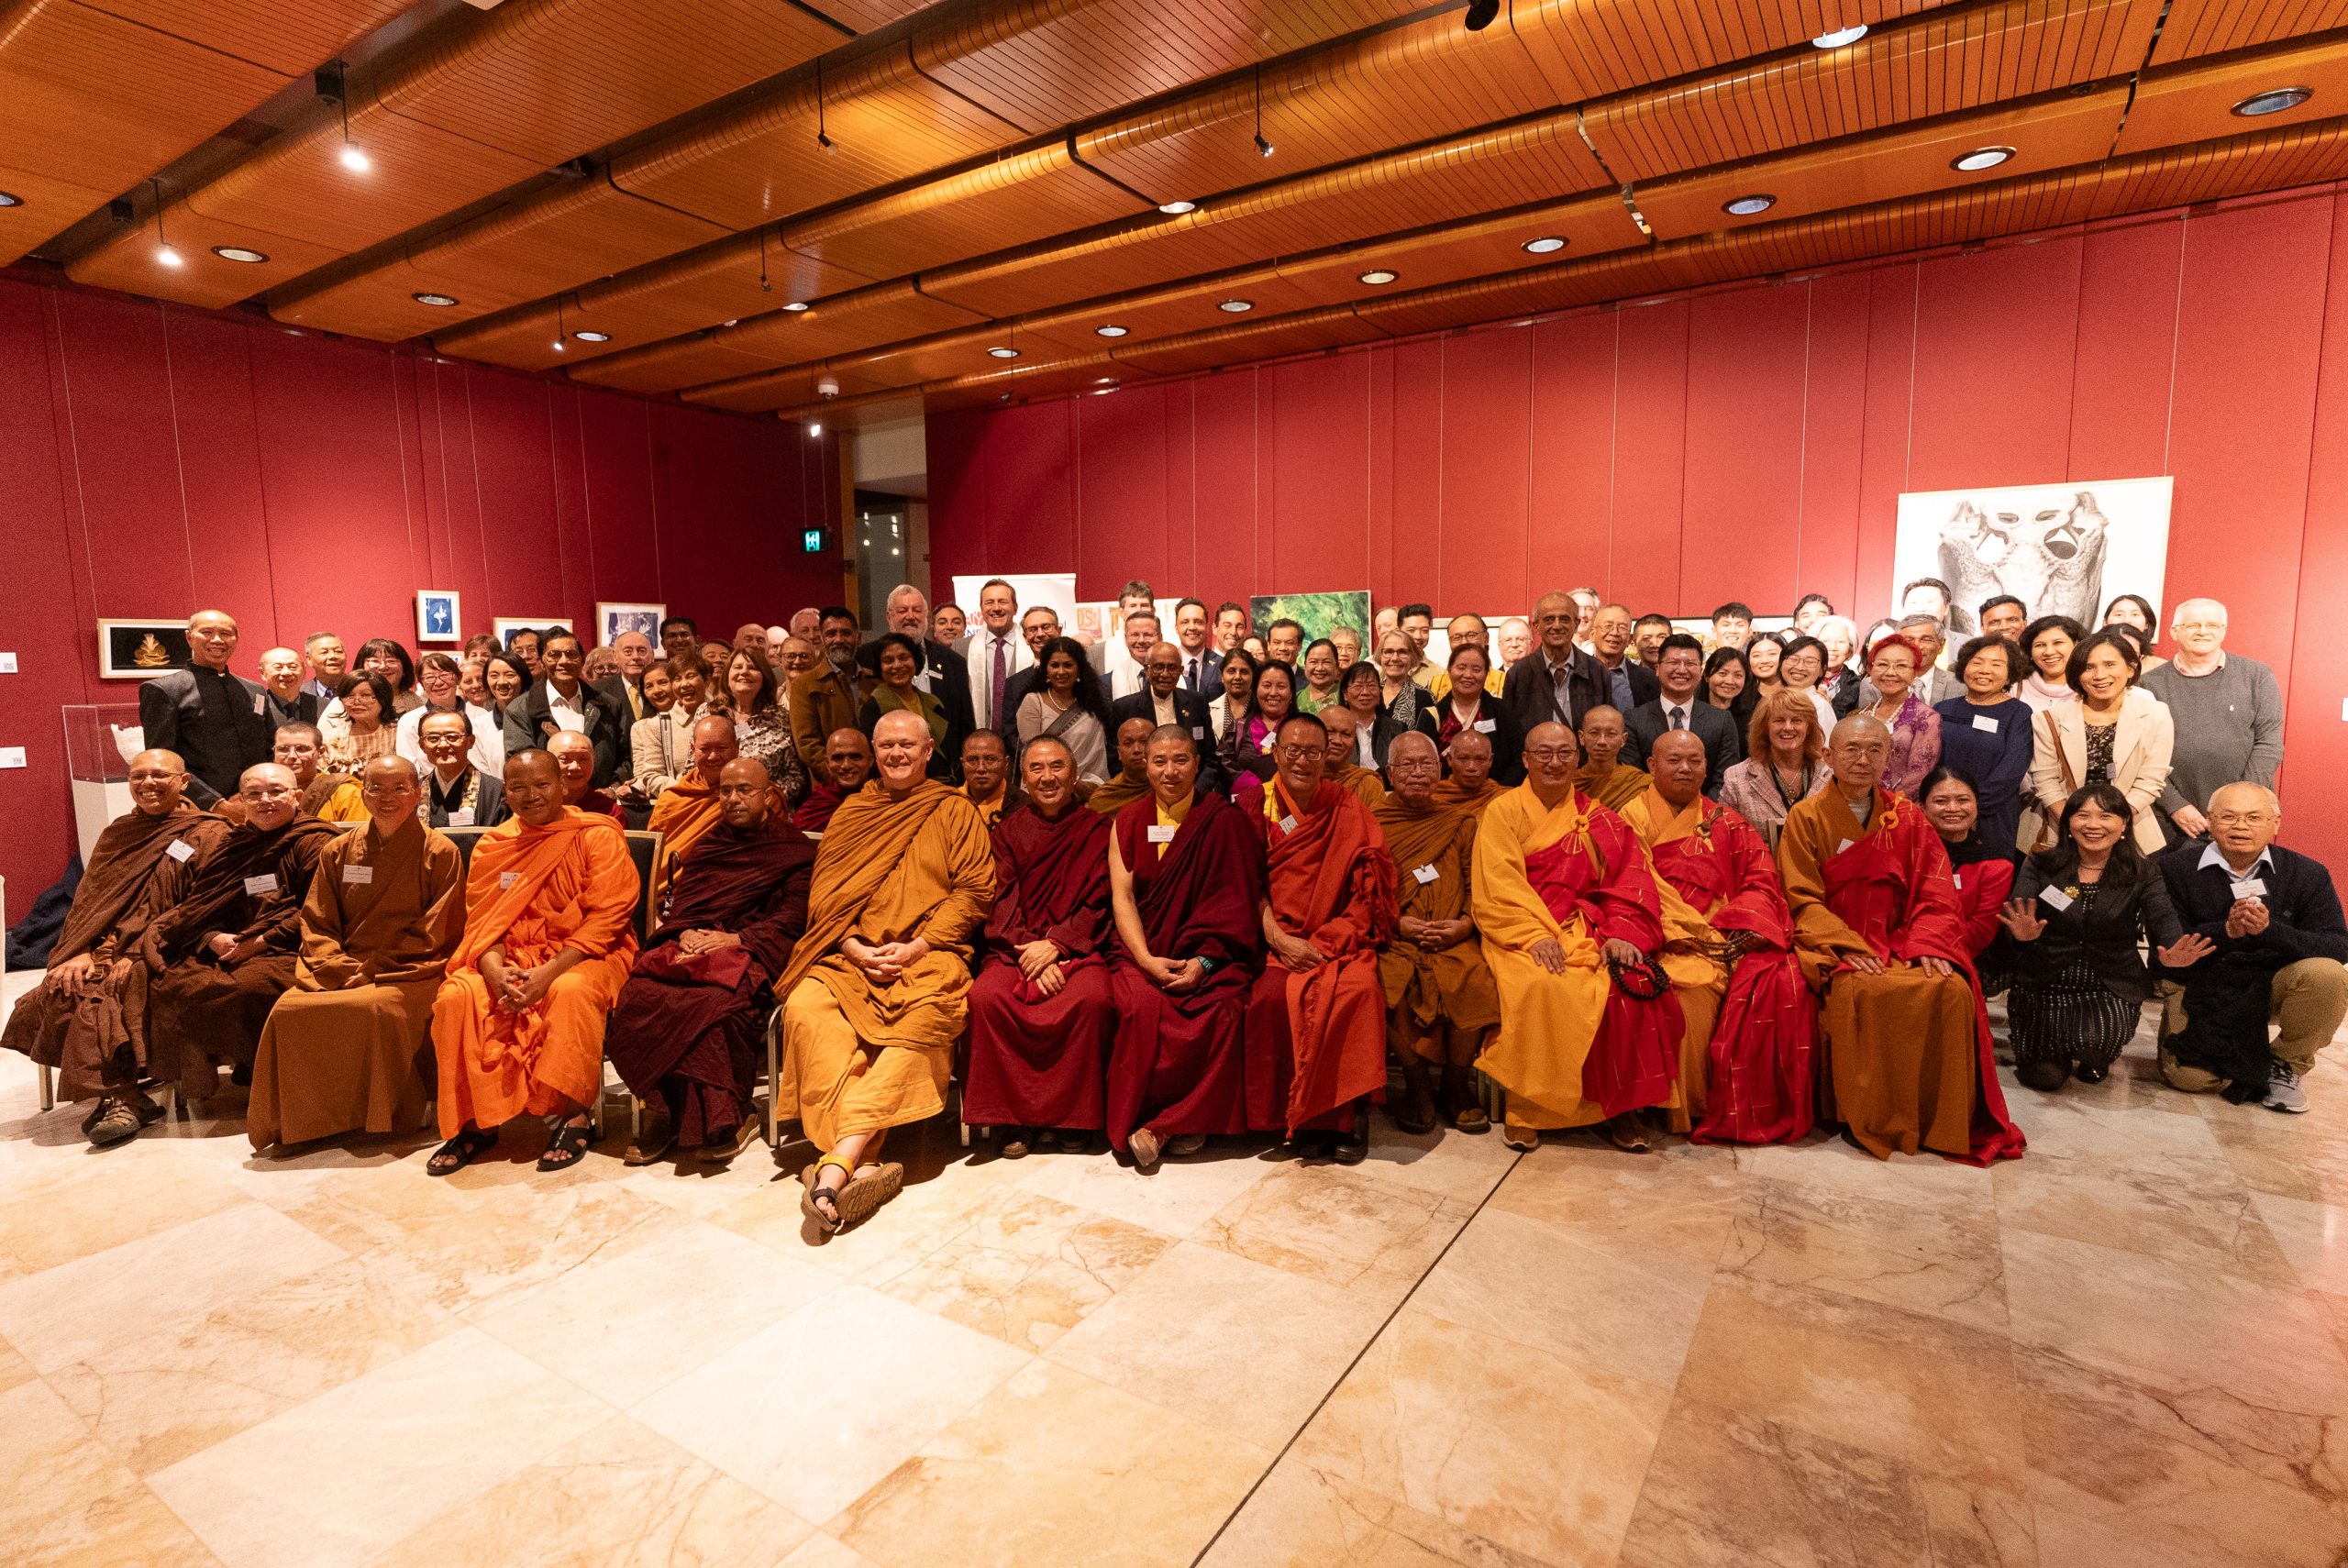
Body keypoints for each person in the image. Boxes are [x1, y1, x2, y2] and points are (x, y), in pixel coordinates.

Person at [777, 711, 993, 1231]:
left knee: (920, 1027)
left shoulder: (954, 810)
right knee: (806, 1008)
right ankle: (867, 1163)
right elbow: (825, 897)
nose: (896, 754)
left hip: (930, 955)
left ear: (928, 752)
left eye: (907, 745)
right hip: (851, 957)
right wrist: (853, 947)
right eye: (886, 746)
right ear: (874, 752)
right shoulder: (853, 812)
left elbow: (974, 891)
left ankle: (837, 1164)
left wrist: (918, 946)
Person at [1778, 716, 2025, 1164]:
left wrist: (1929, 944)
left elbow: (1935, 888)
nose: (1863, 759)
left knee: (1950, 989)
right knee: (1864, 988)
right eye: (1852, 749)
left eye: (1875, 750)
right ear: (1829, 756)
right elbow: (1801, 896)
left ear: (1889, 758)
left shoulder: (1908, 816)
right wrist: (1846, 944)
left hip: (1901, 939)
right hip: (1838, 940)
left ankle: (1934, 1118)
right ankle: (1868, 1116)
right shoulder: (1806, 816)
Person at [426, 749, 640, 1176]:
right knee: (458, 996)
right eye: (519, 787)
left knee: (570, 990)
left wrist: (548, 972)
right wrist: (494, 971)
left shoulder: (597, 835)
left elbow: (610, 915)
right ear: (505, 793)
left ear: (562, 785)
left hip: (588, 952)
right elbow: (484, 922)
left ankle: (574, 1114)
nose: (531, 795)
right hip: (506, 956)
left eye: (542, 784)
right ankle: (476, 1121)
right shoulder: (495, 845)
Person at [1472, 722, 1682, 1153]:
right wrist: (1533, 935)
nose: (1554, 762)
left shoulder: (1597, 817)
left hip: (1585, 928)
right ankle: (1528, 1110)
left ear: (1577, 757)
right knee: (1540, 985)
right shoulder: (1503, 811)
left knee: (1630, 986)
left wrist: (1622, 932)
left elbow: (1630, 878)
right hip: (1518, 931)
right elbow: (1498, 885)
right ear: (1526, 760)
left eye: (1564, 753)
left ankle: (1619, 1108)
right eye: (1543, 753)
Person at [0, 750, 227, 1143]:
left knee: (109, 994)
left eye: (160, 775)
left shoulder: (209, 833)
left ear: (184, 782)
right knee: (63, 987)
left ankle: (121, 1098)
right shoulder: (118, 833)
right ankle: (125, 1097)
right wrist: (80, 950)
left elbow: (201, 907)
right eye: (138, 776)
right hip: (107, 944)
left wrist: (139, 951)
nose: (148, 784)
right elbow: (91, 902)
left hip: (171, 945)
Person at [243, 757, 463, 1153]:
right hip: (339, 965)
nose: (387, 797)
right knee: (288, 1010)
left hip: (410, 967)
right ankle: (305, 1121)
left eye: (399, 788)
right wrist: (336, 965)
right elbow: (317, 919)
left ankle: (385, 1115)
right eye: (376, 788)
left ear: (417, 793)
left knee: (379, 1007)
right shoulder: (339, 850)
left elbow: (437, 927)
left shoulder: (440, 850)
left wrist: (375, 968)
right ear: (363, 794)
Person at [608, 756, 814, 1165]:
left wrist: (736, 938)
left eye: (745, 790)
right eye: (726, 791)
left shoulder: (792, 849)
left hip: (753, 950)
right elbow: (685, 907)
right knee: (638, 995)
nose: (734, 799)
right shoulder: (709, 845)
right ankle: (662, 1111)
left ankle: (731, 1116)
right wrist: (683, 931)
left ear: (768, 795)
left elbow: (794, 917)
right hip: (696, 945)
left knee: (717, 1006)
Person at [1622, 733, 1817, 1144]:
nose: (1685, 768)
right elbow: (1636, 882)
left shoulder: (1725, 820)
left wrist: (1745, 922)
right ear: (1652, 766)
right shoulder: (1630, 818)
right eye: (1674, 760)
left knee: (1783, 985)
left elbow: (1761, 876)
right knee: (1688, 991)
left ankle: (1732, 1103)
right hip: (1665, 937)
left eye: (1695, 760)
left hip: (1728, 937)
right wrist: (1690, 932)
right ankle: (1685, 1107)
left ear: (1707, 767)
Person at [1105, 723, 1265, 1169]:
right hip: (1142, 947)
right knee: (1141, 1009)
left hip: (1212, 953)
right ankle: (1146, 1118)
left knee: (1223, 1010)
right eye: (1159, 761)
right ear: (1145, 766)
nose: (1170, 771)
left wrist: (1204, 963)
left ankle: (1172, 1123)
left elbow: (1238, 902)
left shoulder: (1223, 820)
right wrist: (1145, 960)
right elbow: (1123, 897)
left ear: (1197, 764)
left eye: (1180, 760)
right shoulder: (1129, 819)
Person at [138, 763, 338, 1108]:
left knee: (247, 986)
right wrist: (211, 937)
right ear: (241, 801)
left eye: (276, 792)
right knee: (174, 979)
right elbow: (201, 902)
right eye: (253, 794)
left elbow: (320, 910)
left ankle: (267, 1071)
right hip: (231, 942)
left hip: (292, 946)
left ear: (297, 795)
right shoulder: (234, 842)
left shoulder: (317, 841)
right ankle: (217, 1074)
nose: (265, 800)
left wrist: (258, 943)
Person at [1241, 714, 1395, 1163]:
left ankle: (1347, 1115)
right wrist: (1278, 938)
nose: (1302, 760)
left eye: (1313, 752)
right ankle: (1297, 1115)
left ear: (1328, 756)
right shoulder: (1255, 805)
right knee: (1269, 998)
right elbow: (1245, 884)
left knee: (1359, 992)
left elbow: (1370, 889)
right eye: (1292, 750)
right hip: (1275, 941)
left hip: (1340, 940)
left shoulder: (1348, 807)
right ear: (1275, 752)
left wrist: (1333, 938)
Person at [964, 736, 1115, 1154]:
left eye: (1057, 767)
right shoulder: (1007, 832)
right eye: (1036, 768)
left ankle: (1074, 1120)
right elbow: (1001, 899)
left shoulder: (1099, 830)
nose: (1047, 778)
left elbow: (1101, 901)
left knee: (1092, 1002)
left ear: (1074, 771)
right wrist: (1034, 951)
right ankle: (1012, 1121)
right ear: (1023, 778)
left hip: (1077, 947)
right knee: (987, 998)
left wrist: (1058, 944)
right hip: (1016, 949)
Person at [2155, 783, 2348, 1111]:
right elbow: (2170, 940)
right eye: (2228, 817)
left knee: (2327, 974)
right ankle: (2242, 1058)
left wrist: (2269, 931)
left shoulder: (2307, 873)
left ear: (2276, 823)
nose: (2241, 826)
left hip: (2271, 981)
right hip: (2201, 981)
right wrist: (2226, 931)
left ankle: (2286, 1064)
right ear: (2210, 821)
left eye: (2254, 817)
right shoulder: (2173, 868)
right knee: (2191, 1079)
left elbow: (2337, 945)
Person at [1999, 784, 2198, 1093]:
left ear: (2123, 824)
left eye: (2105, 816)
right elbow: (2020, 910)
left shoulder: (2143, 872)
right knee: (2045, 1078)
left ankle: (2091, 1052)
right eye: (2083, 815)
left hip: (2110, 983)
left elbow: (2163, 918)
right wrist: (2022, 937)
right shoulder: (2042, 864)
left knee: (2092, 1047)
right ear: (2068, 823)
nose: (2093, 825)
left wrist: (2173, 949)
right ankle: (2054, 1052)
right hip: (2046, 978)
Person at [1374, 733, 1497, 1134]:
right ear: (1390, 772)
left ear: (1440, 769)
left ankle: (1455, 1085)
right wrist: (1396, 923)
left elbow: (1476, 883)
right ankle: (1417, 1084)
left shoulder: (1459, 822)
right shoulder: (1373, 823)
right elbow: (1361, 889)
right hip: (1394, 936)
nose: (1417, 772)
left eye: (1426, 764)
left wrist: (1464, 925)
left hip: (1453, 934)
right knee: (1389, 983)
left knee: (1476, 978)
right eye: (1407, 765)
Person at [2139, 598, 2284, 845]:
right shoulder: (2148, 684)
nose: (2203, 631)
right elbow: (2143, 755)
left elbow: (2269, 744)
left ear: (2223, 631)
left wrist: (2237, 805)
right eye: (2193, 625)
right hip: (2172, 819)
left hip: (2245, 816)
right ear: (2174, 631)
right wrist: (2175, 805)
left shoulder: (2257, 676)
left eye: (2212, 625)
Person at [2024, 629, 2173, 856]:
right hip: (2061, 831)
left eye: (2110, 664)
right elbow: (2045, 781)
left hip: (2130, 830)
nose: (2099, 675)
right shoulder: (2049, 719)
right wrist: (2076, 826)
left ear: (2130, 668)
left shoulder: (2156, 714)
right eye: (2088, 667)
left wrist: (2112, 824)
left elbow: (2150, 781)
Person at [138, 609, 271, 808]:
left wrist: (260, 791)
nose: (217, 640)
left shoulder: (255, 691)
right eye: (207, 632)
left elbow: (268, 746)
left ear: (236, 639)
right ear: (189, 638)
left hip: (259, 800)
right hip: (199, 807)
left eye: (225, 633)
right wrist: (216, 803)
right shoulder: (165, 690)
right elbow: (163, 761)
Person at [1932, 635, 2032, 855]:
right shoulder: (1942, 709)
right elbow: (1927, 762)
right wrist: (1941, 806)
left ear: (2010, 674)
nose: (1984, 670)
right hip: (1939, 814)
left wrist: (1968, 808)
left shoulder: (2018, 713)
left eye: (1996, 664)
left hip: (1991, 817)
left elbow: (2011, 770)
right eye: (1977, 662)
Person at [1917, 767, 2015, 987]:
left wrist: (1935, 951)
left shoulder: (1995, 863)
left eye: (1963, 800)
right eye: (1941, 801)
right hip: (1907, 951)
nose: (1953, 808)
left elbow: (1980, 932)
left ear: (1976, 805)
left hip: (1964, 958)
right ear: (1922, 807)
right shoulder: (1909, 852)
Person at [503, 630, 626, 786]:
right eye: (554, 655)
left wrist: (613, 788)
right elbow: (521, 765)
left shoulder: (609, 705)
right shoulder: (519, 710)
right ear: (542, 660)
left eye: (571, 654)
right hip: (548, 799)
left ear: (582, 660)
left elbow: (625, 757)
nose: (564, 661)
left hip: (600, 798)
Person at [1624, 635, 1738, 796]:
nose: (1682, 670)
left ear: (1701, 671)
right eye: (1673, 662)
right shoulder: (1634, 720)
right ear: (1657, 669)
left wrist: (1702, 810)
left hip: (1707, 809)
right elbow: (1632, 779)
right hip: (1648, 809)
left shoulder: (1722, 720)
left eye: (1690, 664)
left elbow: (1725, 780)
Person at [1717, 688, 1831, 845]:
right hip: (1759, 860)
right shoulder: (1736, 777)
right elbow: (1726, 837)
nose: (1788, 727)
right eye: (1779, 720)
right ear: (1765, 727)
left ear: (1809, 727)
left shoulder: (1830, 775)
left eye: (1797, 720)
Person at [646, 715, 740, 904]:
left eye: (722, 748)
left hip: (729, 896)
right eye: (704, 749)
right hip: (672, 899)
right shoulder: (672, 800)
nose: (713, 756)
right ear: (692, 749)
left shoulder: (757, 797)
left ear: (737, 748)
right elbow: (654, 863)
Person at [1111, 642, 1218, 784]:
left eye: (1172, 668)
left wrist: (1196, 790)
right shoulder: (1125, 708)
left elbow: (1209, 758)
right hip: (1142, 791)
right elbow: (1116, 761)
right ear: (1147, 669)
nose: (1165, 674)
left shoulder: (1197, 703)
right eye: (1158, 667)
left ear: (1181, 670)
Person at [1504, 593, 1608, 737]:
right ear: (1536, 626)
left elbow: (1605, 728)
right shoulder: (1518, 674)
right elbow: (1509, 732)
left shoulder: (1597, 672)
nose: (1557, 626)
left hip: (1580, 752)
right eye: (1549, 620)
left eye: (1564, 619)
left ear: (1576, 624)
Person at [714, 646, 808, 801]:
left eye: (752, 668)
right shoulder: (708, 714)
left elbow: (795, 778)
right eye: (737, 667)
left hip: (767, 807)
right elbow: (693, 767)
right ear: (726, 676)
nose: (744, 672)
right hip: (714, 805)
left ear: (764, 677)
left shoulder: (782, 718)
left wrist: (764, 799)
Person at [1016, 635, 1113, 785]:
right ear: (1046, 669)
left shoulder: (1094, 704)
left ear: (1079, 669)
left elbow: (1100, 755)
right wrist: (1072, 783)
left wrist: (1085, 787)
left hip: (1091, 787)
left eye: (1068, 665)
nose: (1061, 672)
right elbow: (1033, 754)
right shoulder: (1033, 702)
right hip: (1046, 784)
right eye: (1055, 665)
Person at [1854, 632, 1942, 796]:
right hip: (1856, 801)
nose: (1890, 672)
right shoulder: (1860, 715)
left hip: (1898, 806)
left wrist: (1885, 804)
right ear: (1870, 669)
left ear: (1915, 672)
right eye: (1882, 664)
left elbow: (1918, 775)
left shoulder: (1927, 718)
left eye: (1901, 666)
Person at [789, 607, 869, 785]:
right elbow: (807, 744)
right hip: (831, 786)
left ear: (858, 638)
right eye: (831, 634)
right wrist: (841, 778)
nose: (838, 640)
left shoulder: (875, 681)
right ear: (823, 638)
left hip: (875, 784)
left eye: (846, 633)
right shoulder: (804, 685)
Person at [1432, 642, 1521, 786]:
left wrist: (1498, 791)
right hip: (1443, 794)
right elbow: (1423, 762)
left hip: (1494, 793)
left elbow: (1518, 760)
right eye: (1461, 668)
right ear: (1449, 670)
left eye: (1476, 669)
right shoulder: (1432, 715)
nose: (1468, 675)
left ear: (1486, 674)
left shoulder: (1503, 711)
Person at [632, 652, 709, 799]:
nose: (684, 684)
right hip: (681, 801)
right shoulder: (656, 725)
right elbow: (651, 775)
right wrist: (686, 791)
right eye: (677, 679)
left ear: (707, 680)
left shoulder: (724, 715)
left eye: (690, 676)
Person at [964, 578, 1035, 734]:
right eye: (989, 602)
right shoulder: (962, 648)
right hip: (978, 739)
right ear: (981, 608)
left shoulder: (1033, 647)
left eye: (1003, 602)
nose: (996, 608)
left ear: (1015, 607)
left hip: (1021, 739)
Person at [415, 710, 506, 829]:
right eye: (433, 738)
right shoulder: (413, 792)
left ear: (470, 741)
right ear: (422, 745)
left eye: (452, 737)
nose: (443, 745)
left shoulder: (496, 791)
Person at [994, 605, 1063, 742]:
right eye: (1032, 629)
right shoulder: (1013, 684)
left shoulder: (1079, 675)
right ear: (1025, 637)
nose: (1040, 634)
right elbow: (1009, 733)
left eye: (1046, 627)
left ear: (1059, 631)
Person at [793, 728, 873, 833]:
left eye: (855, 757)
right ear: (827, 763)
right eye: (838, 758)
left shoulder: (882, 801)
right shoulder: (813, 812)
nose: (846, 765)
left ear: (870, 760)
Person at [1582, 605, 1658, 714]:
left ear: (1629, 639)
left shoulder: (1651, 679)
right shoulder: (1576, 673)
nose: (1614, 633)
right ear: (1592, 634)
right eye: (1608, 626)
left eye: (1622, 627)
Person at [1573, 705, 1648, 812]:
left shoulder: (1637, 783)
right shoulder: (1570, 782)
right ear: (1581, 737)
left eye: (1611, 734)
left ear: (1623, 739)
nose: (1602, 741)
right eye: (1594, 733)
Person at [1086, 716, 1159, 816]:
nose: (1136, 749)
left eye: (1144, 741)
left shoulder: (1171, 786)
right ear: (1119, 753)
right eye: (1128, 743)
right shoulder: (1104, 797)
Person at [1772, 635, 1841, 734]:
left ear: (1822, 670)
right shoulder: (1771, 701)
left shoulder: (1820, 707)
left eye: (1810, 662)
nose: (1800, 667)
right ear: (1781, 664)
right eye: (1793, 659)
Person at [1237, 661, 1297, 777]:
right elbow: (1225, 764)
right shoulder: (1237, 728)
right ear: (1255, 690)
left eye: (1281, 686)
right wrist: (1251, 784)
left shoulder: (1302, 730)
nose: (1273, 693)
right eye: (1267, 685)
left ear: (1291, 693)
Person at [2017, 613, 2086, 712]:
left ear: (2076, 645)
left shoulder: (2090, 688)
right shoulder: (2015, 688)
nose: (2049, 652)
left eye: (2058, 643)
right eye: (2040, 645)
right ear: (2030, 651)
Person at [547, 730, 622, 819]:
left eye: (583, 759)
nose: (574, 767)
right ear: (547, 761)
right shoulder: (536, 806)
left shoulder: (609, 811)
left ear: (594, 760)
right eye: (564, 758)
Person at [1434, 727, 1505, 815]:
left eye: (1480, 759)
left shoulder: (1503, 798)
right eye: (1463, 758)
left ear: (1490, 761)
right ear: (1450, 759)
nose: (1471, 767)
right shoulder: (1432, 797)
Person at [596, 630, 658, 724]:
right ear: (615, 657)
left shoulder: (665, 688)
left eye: (642, 651)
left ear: (652, 656)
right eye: (628, 652)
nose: (635, 657)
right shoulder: (598, 691)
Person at [958, 730, 1015, 826]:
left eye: (990, 759)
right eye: (973, 760)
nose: (981, 768)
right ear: (962, 763)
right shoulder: (948, 802)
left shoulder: (1023, 806)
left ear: (1006, 763)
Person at [1699, 646, 1754, 743]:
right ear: (1707, 676)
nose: (1730, 681)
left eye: (1738, 675)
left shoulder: (1751, 720)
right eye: (1722, 673)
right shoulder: (1692, 713)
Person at [1170, 597, 1223, 698]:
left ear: (1207, 627)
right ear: (1176, 628)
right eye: (1185, 622)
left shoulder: (1222, 665)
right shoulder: (1166, 666)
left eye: (1198, 622)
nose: (1192, 627)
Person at [257, 646, 319, 729]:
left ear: (304, 671)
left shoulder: (322, 705)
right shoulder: (258, 706)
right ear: (263, 673)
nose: (286, 672)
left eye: (292, 667)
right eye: (278, 667)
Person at [1813, 616, 1861, 715]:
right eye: (1825, 641)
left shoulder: (1857, 685)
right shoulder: (1800, 678)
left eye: (1841, 642)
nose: (1832, 647)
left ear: (1850, 650)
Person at [1901, 575, 1967, 635]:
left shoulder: (1965, 642)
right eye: (1914, 602)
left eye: (1930, 602)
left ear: (1946, 609)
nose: (1921, 609)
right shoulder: (1895, 641)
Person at [1298, 637, 1344, 713]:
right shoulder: (1296, 700)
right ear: (1305, 665)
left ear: (1337, 666)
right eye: (1314, 662)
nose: (1320, 668)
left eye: (1326, 662)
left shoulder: (1346, 696)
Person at [301, 631, 348, 701]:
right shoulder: (299, 693)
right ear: (309, 659)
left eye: (338, 651)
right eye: (324, 652)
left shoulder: (360, 688)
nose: (333, 656)